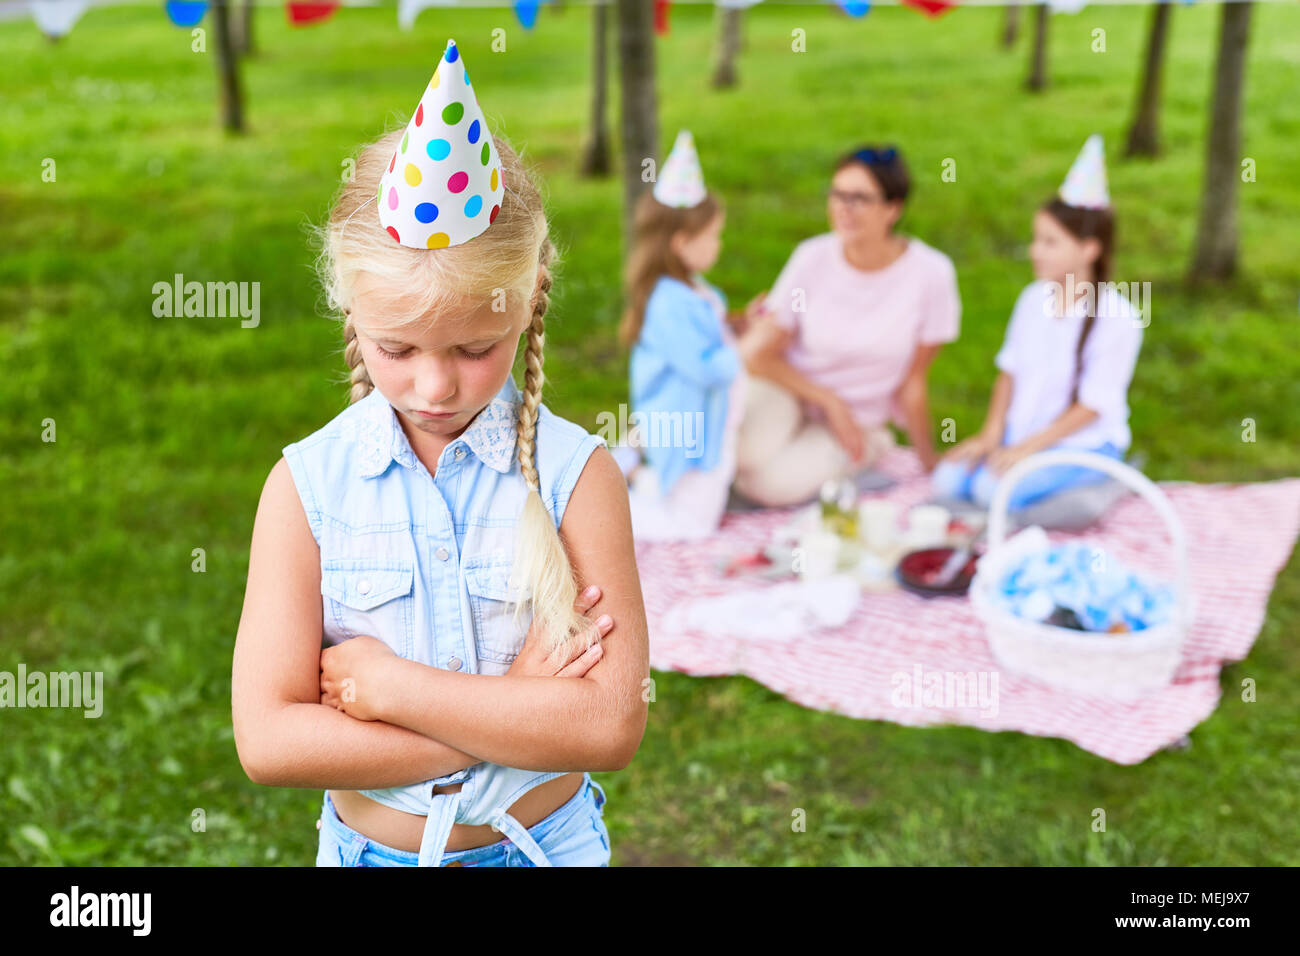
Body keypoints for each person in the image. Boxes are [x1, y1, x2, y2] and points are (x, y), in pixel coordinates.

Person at [231, 40, 648, 868]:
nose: (434, 386)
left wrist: (395, 694)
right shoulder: (306, 490)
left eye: (474, 348)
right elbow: (270, 741)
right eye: (398, 349)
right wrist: (509, 714)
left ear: (528, 305)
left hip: (544, 848)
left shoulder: (576, 478)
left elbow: (609, 724)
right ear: (349, 312)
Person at [735, 144, 962, 507]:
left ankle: (857, 465)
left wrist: (928, 462)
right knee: (740, 449)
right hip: (791, 393)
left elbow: (913, 381)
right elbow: (758, 354)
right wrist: (828, 401)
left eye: (860, 198)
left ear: (893, 208)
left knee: (769, 485)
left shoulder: (931, 274)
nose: (843, 207)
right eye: (838, 194)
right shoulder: (812, 258)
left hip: (859, 423)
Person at [932, 134, 1143, 510]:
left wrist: (1027, 451)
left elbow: (1093, 404)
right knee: (948, 481)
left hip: (1080, 441)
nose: (1035, 251)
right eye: (1036, 239)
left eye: (1050, 242)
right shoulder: (1033, 299)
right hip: (1023, 429)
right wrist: (992, 434)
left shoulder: (1118, 316)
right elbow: (1009, 371)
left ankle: (1100, 485)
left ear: (1088, 249)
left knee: (991, 491)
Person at [618, 130, 753, 540]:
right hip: (686, 426)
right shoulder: (668, 303)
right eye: (712, 235)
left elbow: (706, 334)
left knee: (696, 502)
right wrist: (750, 346)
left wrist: (738, 325)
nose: (719, 243)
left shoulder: (693, 290)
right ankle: (611, 515)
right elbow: (706, 368)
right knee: (692, 524)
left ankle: (637, 479)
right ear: (681, 242)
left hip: (710, 423)